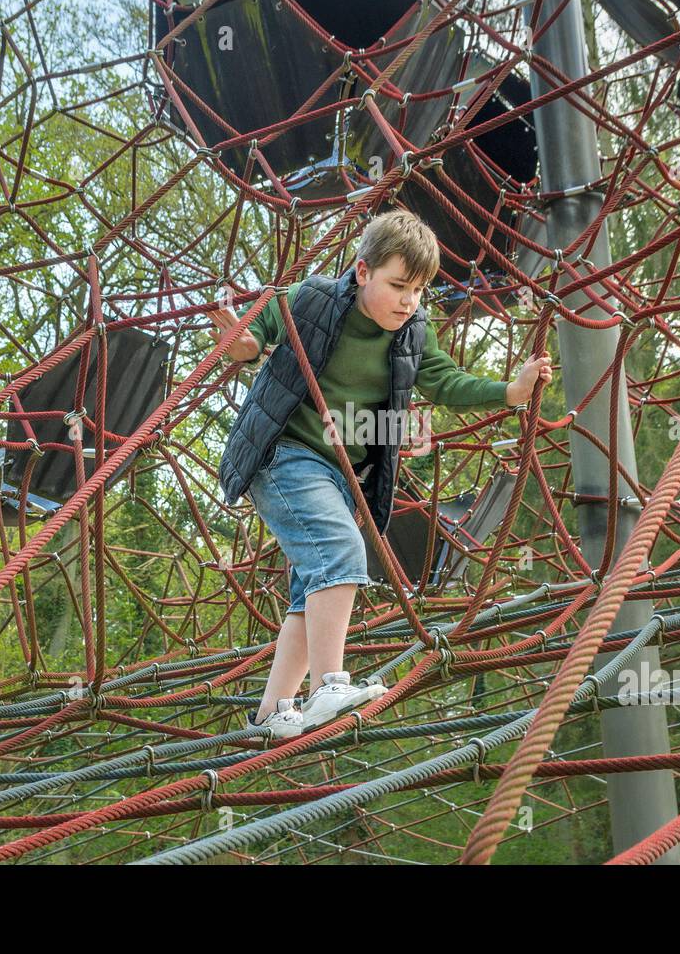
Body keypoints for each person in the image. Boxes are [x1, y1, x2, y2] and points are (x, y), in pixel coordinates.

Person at [209, 209, 552, 737]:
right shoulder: (314, 298)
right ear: (363, 271)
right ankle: (329, 684)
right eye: (397, 285)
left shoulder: (413, 331)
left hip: (341, 474)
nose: (408, 300)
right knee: (341, 552)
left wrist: (509, 392)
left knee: (312, 592)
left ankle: (271, 712)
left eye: (418, 290)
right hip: (283, 454)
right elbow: (255, 332)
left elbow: (443, 381)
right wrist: (242, 345)